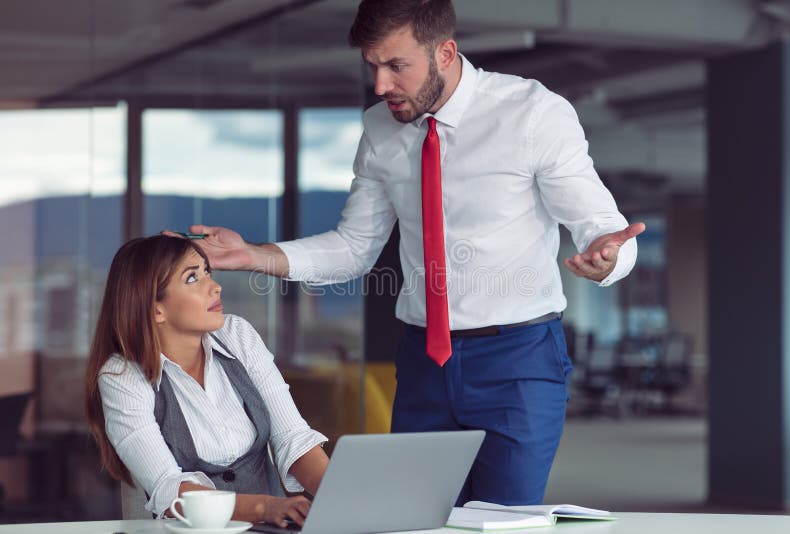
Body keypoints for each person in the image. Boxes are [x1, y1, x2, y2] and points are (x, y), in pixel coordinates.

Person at [184, 0, 645, 506]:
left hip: (517, 359)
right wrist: (254, 255)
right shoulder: (381, 129)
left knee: (505, 519)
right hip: (424, 360)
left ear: (445, 52)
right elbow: (355, 247)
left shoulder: (533, 113)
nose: (381, 85)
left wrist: (608, 259)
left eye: (396, 66)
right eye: (372, 66)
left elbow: (602, 229)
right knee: (417, 516)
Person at [85, 235, 328, 527]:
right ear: (155, 308)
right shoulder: (122, 377)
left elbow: (294, 439)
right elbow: (169, 489)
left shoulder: (237, 335)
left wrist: (341, 498)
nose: (215, 286)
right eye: (192, 278)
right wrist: (266, 506)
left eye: (206, 272)